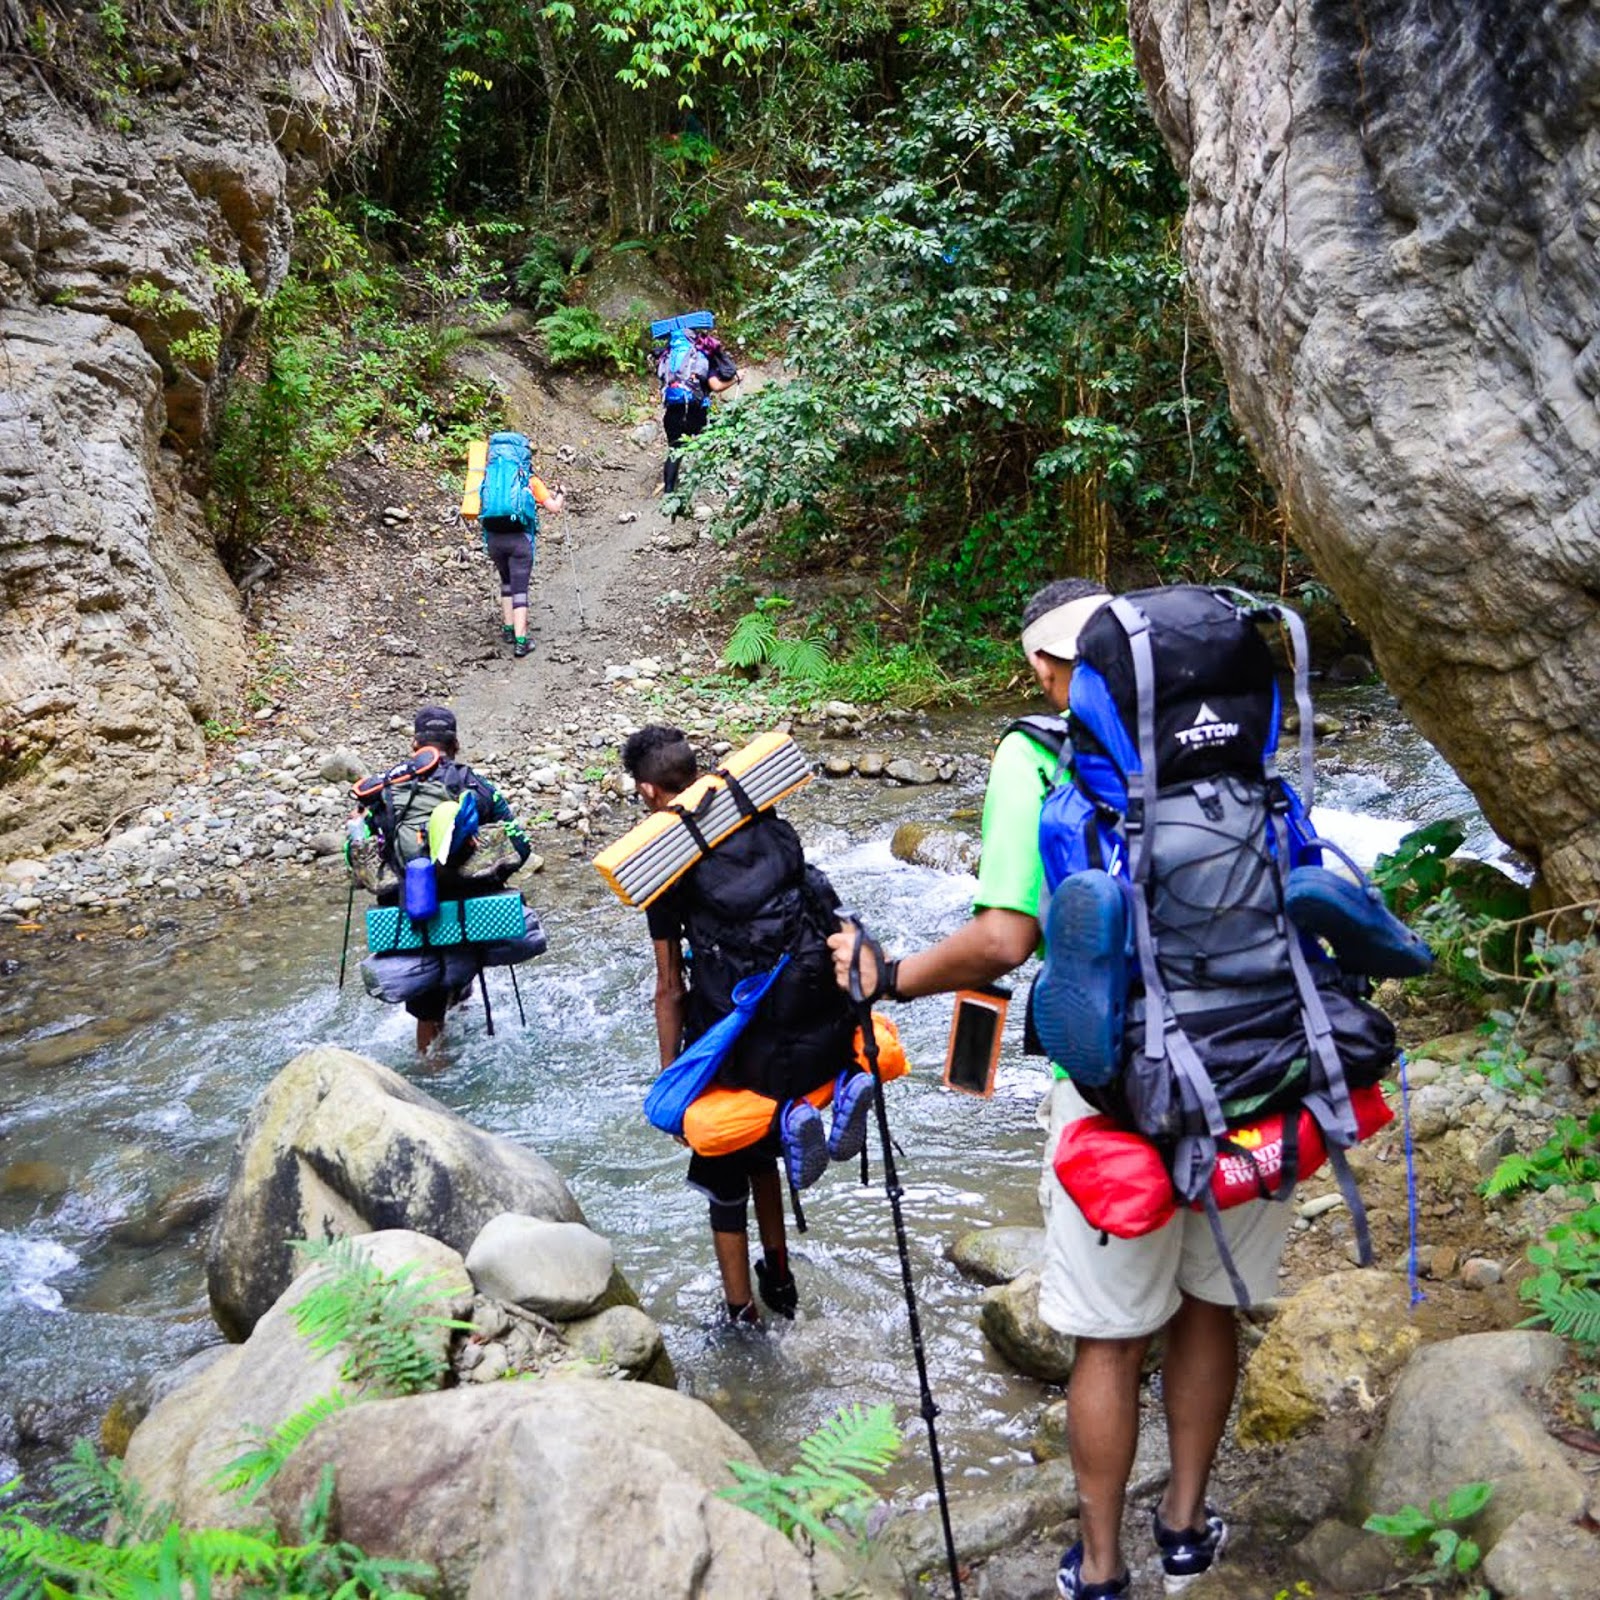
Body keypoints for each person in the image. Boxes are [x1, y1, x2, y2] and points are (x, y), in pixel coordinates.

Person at [828, 578, 1281, 1599]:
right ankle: (1184, 1527)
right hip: (1257, 1065)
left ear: (1045, 664)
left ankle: (1103, 1566)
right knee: (1210, 1306)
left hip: (1122, 1091)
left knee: (1111, 1334)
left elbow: (1003, 937)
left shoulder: (1037, 753)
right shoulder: (1225, 729)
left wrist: (888, 974)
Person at [623, 723, 875, 1326]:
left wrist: (675, 1085)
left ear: (652, 792)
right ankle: (780, 1275)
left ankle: (741, 1315)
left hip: (742, 1048)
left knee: (724, 1165)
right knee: (765, 1145)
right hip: (816, 1024)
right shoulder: (761, 819)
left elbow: (669, 988)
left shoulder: (666, 864)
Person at [354, 706, 532, 1052]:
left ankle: (430, 1074)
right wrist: (496, 869)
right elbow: (520, 845)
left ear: (414, 744)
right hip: (469, 910)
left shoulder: (385, 791)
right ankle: (464, 1011)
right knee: (463, 968)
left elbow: (359, 854)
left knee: (428, 1014)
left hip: (415, 911)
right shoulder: (474, 785)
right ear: (457, 745)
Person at [484, 474, 564, 660]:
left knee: (506, 582)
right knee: (519, 589)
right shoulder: (529, 480)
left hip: (494, 541)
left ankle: (508, 629)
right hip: (520, 541)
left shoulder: (492, 478)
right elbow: (554, 508)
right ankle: (521, 642)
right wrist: (560, 494)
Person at [658, 331, 738, 496]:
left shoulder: (668, 356)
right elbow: (715, 386)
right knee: (712, 436)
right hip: (695, 410)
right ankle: (713, 480)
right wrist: (736, 379)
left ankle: (668, 493)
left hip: (673, 410)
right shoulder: (699, 357)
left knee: (675, 449)